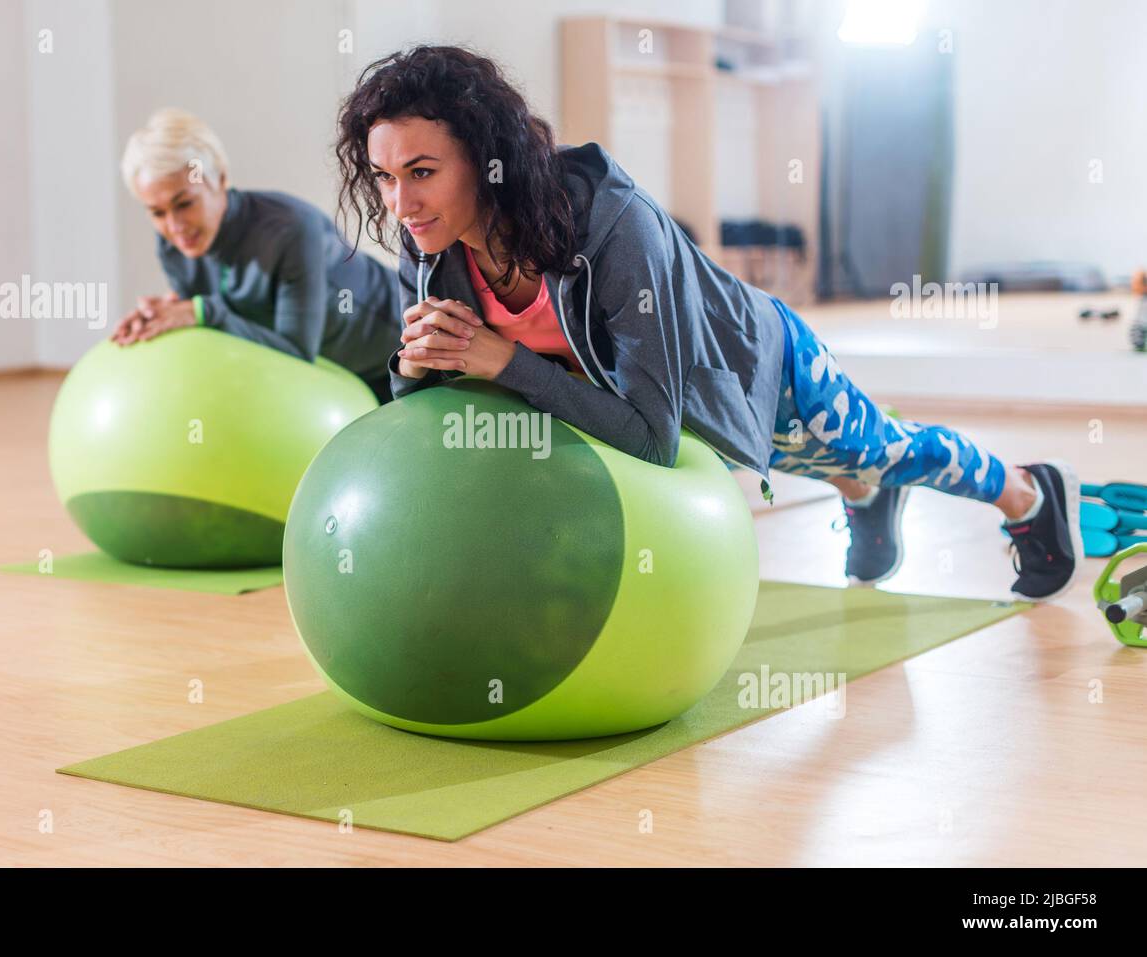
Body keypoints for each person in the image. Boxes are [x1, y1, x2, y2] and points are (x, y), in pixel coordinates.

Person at [333, 45, 1081, 602]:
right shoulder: (431, 246)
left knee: (883, 448)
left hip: (760, 371)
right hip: (634, 404)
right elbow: (427, 404)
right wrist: (413, 363)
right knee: (840, 467)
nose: (400, 204)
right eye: (384, 177)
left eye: (422, 172)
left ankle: (1028, 492)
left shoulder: (613, 228)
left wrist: (505, 362)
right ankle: (863, 492)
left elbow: (656, 437)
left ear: (486, 159)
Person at [115, 108, 403, 403]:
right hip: (334, 383)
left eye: (185, 203)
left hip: (403, 360)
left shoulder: (290, 230)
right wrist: (163, 317)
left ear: (220, 178)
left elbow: (294, 356)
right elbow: (212, 334)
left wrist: (201, 312)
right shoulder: (172, 245)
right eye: (157, 212)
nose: (175, 226)